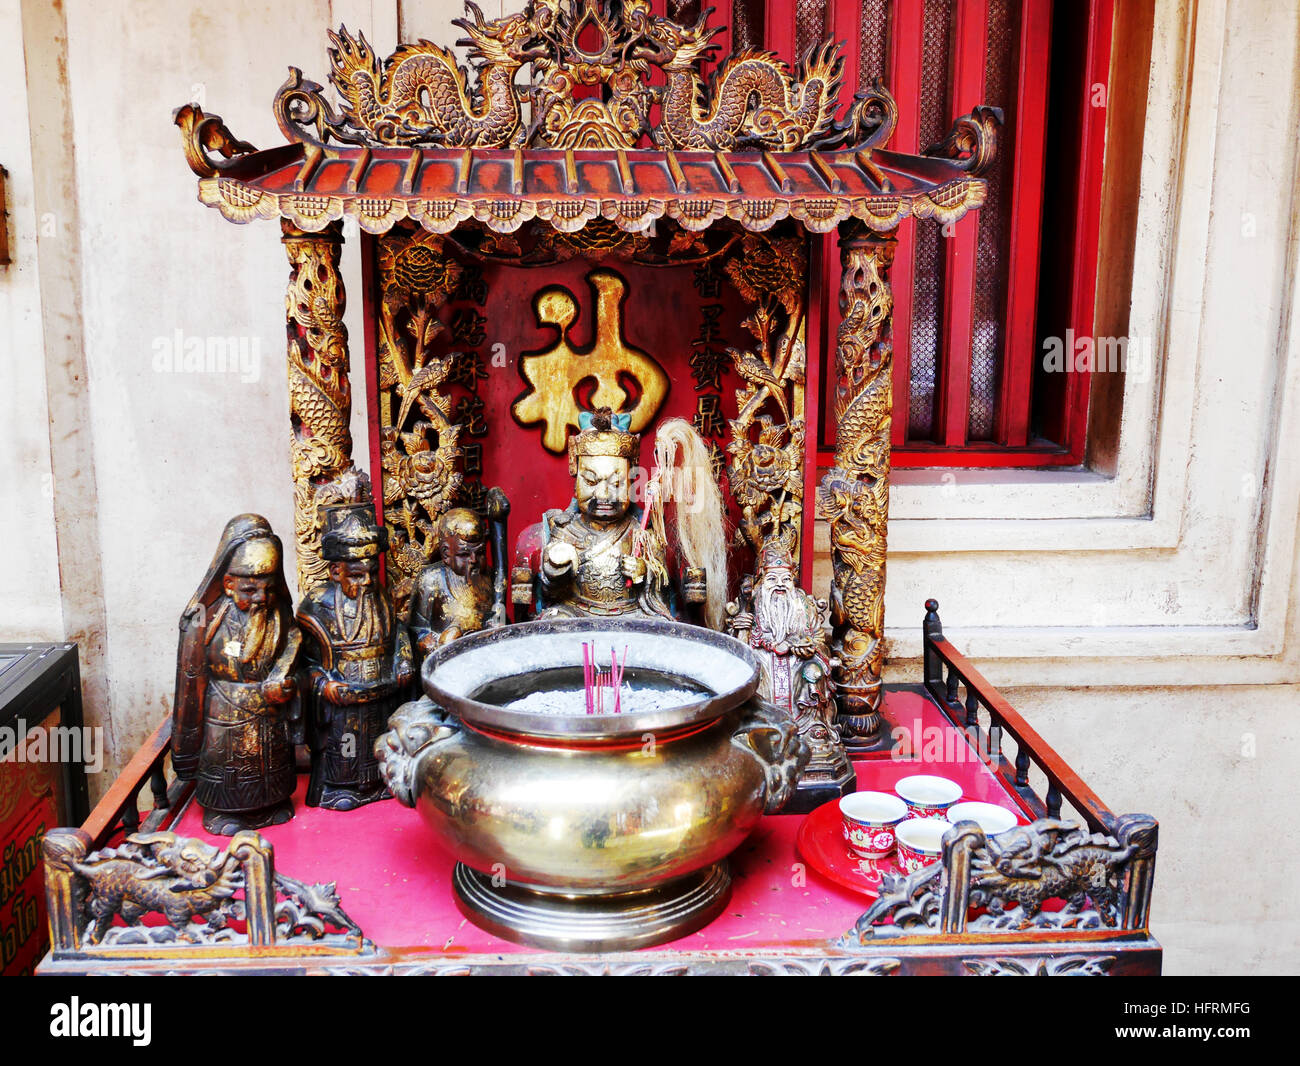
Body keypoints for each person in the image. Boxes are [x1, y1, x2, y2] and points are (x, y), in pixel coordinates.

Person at [172, 514, 301, 834]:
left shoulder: (280, 613)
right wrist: (185, 748)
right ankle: (223, 811)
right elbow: (190, 688)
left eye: (268, 588)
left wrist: (287, 685)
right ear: (228, 584)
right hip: (225, 717)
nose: (261, 598)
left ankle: (271, 803)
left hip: (270, 717)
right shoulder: (203, 620)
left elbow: (295, 655)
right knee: (229, 774)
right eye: (249, 589)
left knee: (270, 771)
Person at [297, 501, 414, 810]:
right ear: (336, 571)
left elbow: (399, 632)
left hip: (380, 692)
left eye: (372, 573)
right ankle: (340, 788)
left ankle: (378, 783)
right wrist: (324, 686)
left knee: (377, 743)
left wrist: (403, 659)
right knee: (347, 749)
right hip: (343, 705)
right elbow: (304, 665)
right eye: (357, 575)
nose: (367, 582)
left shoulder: (380, 597)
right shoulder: (318, 607)